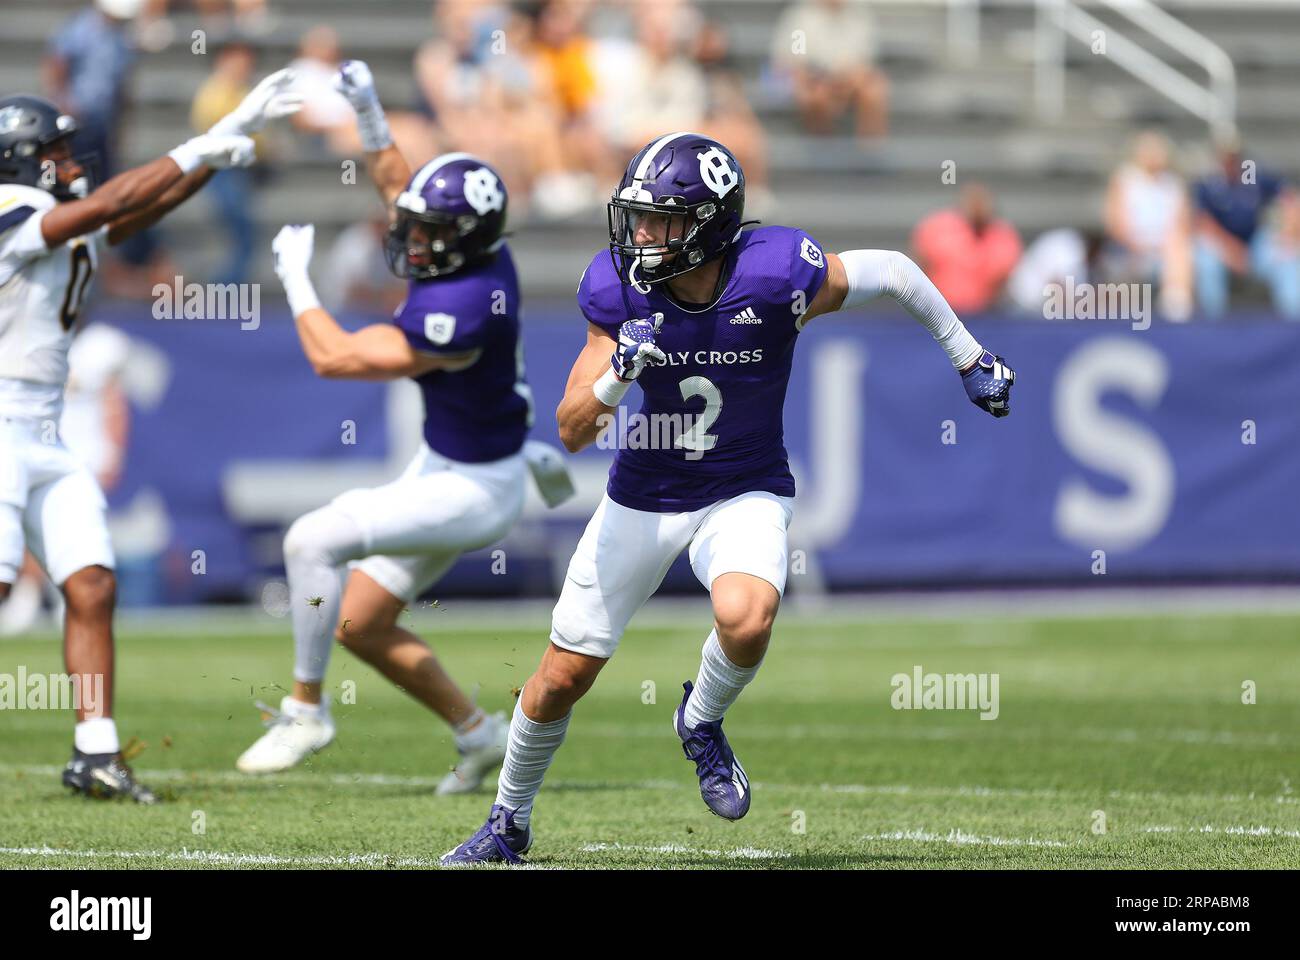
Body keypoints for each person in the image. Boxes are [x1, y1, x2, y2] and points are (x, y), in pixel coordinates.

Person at [441, 132, 1016, 864]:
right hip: (645, 493)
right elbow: (573, 428)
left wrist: (969, 357)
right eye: (638, 217)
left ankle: (700, 720)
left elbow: (897, 272)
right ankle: (508, 823)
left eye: (661, 220)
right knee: (562, 677)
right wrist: (618, 372)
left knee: (747, 620)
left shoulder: (777, 272)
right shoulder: (618, 289)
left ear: (709, 223)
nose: (641, 234)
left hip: (745, 485)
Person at [242, 61, 573, 795]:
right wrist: (367, 107)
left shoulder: (458, 308)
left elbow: (334, 358)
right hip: (458, 461)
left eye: (429, 234)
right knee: (360, 623)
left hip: (474, 489)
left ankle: (306, 710)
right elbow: (397, 179)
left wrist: (295, 278)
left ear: (462, 241)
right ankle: (478, 734)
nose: (412, 242)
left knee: (310, 540)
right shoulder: (476, 250)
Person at [0, 71, 299, 802]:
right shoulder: (14, 207)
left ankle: (95, 752)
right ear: (22, 158)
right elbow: (111, 202)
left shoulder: (62, 209)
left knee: (93, 583)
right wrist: (202, 140)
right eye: (58, 153)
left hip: (45, 430)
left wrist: (218, 152)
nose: (72, 163)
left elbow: (142, 205)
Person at [1193, 138, 1300, 319]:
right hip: (1222, 245)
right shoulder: (1208, 185)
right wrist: (1232, 251)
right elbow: (1204, 224)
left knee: (1288, 257)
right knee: (1207, 263)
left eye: (1233, 157)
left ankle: (1293, 325)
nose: (1230, 162)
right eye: (1225, 157)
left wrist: (1290, 230)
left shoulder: (1253, 178)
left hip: (1255, 243)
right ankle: (1213, 326)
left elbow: (1289, 196)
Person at [1104, 131, 1193, 320]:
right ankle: (1174, 306)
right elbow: (1116, 225)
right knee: (1176, 253)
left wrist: (1164, 246)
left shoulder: (1173, 184)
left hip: (1166, 249)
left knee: (1181, 252)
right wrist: (1140, 246)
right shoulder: (1125, 180)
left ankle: (1176, 308)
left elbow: (1183, 223)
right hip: (1132, 248)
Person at [912, 183, 1023, 314]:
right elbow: (922, 263)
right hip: (939, 310)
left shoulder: (1003, 235)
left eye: (982, 201)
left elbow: (1003, 279)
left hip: (987, 313)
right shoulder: (937, 228)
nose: (977, 206)